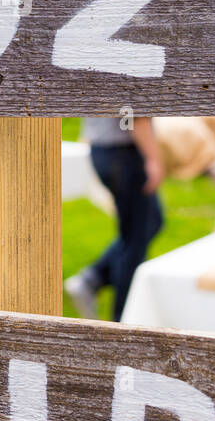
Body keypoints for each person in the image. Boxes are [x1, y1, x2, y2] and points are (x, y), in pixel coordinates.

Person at [65, 116, 165, 321]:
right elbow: (136, 112)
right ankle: (123, 320)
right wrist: (153, 158)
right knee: (134, 242)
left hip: (103, 149)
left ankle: (93, 277)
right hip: (124, 152)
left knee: (151, 222)